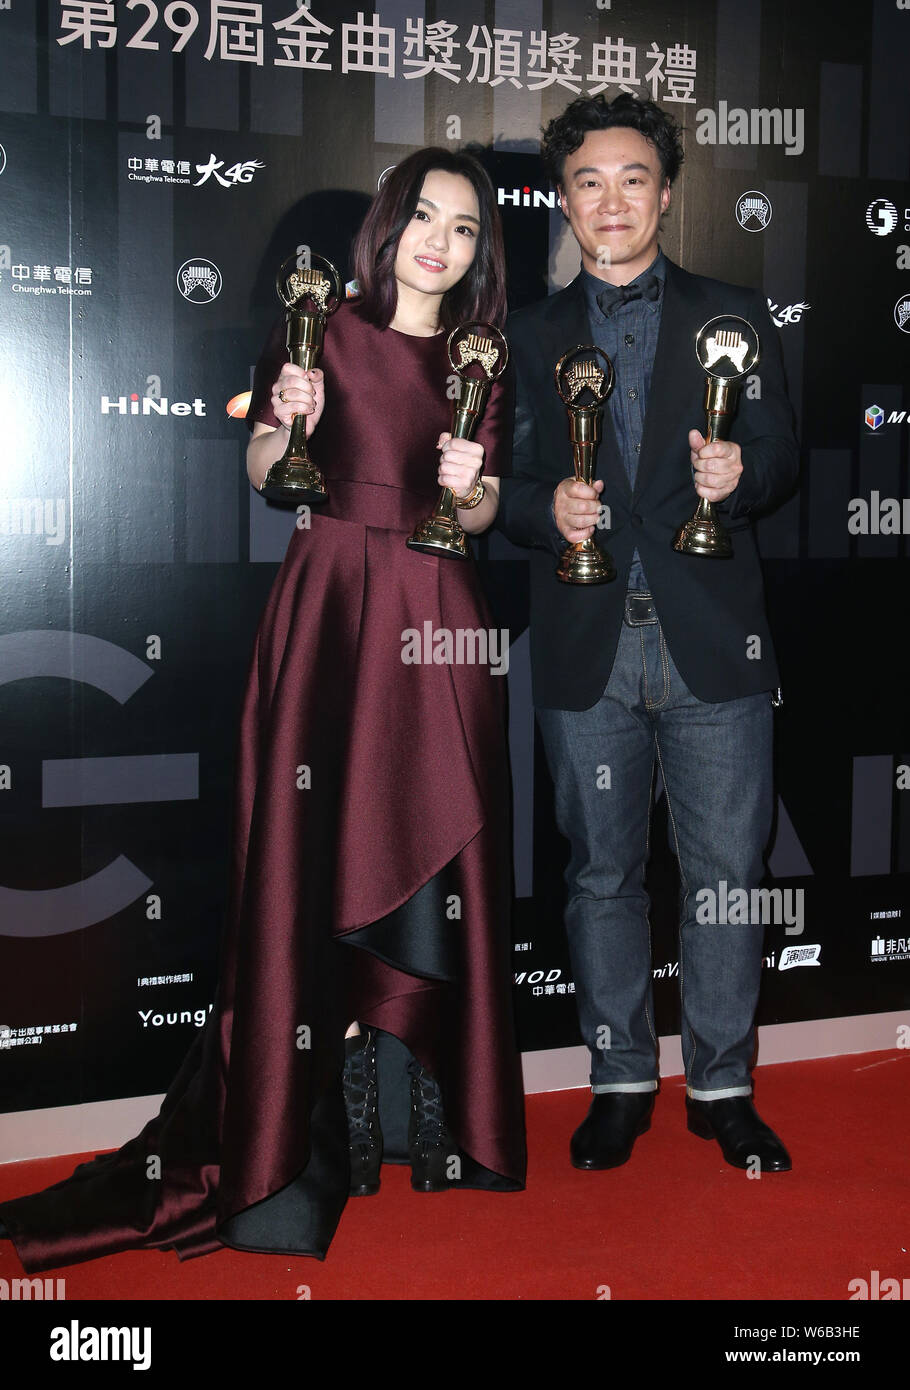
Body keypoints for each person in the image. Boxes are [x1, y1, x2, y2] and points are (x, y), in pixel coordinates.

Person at [0, 147, 526, 1273]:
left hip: (438, 610)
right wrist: (283, 420)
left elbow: (479, 512)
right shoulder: (322, 329)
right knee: (311, 852)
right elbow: (260, 467)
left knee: (434, 842)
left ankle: (419, 1126)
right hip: (331, 595)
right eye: (423, 214)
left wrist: (468, 479)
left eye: (468, 226)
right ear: (387, 224)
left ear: (484, 249)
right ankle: (296, 1142)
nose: (442, 239)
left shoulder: (488, 358)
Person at [496, 94, 799, 1175]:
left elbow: (780, 455)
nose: (611, 199)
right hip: (586, 641)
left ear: (665, 192)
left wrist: (741, 473)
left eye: (633, 178)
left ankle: (722, 1084)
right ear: (564, 201)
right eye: (588, 180)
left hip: (711, 637)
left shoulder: (736, 313)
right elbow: (506, 485)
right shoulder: (524, 336)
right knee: (599, 875)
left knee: (725, 869)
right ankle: (619, 1075)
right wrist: (546, 512)